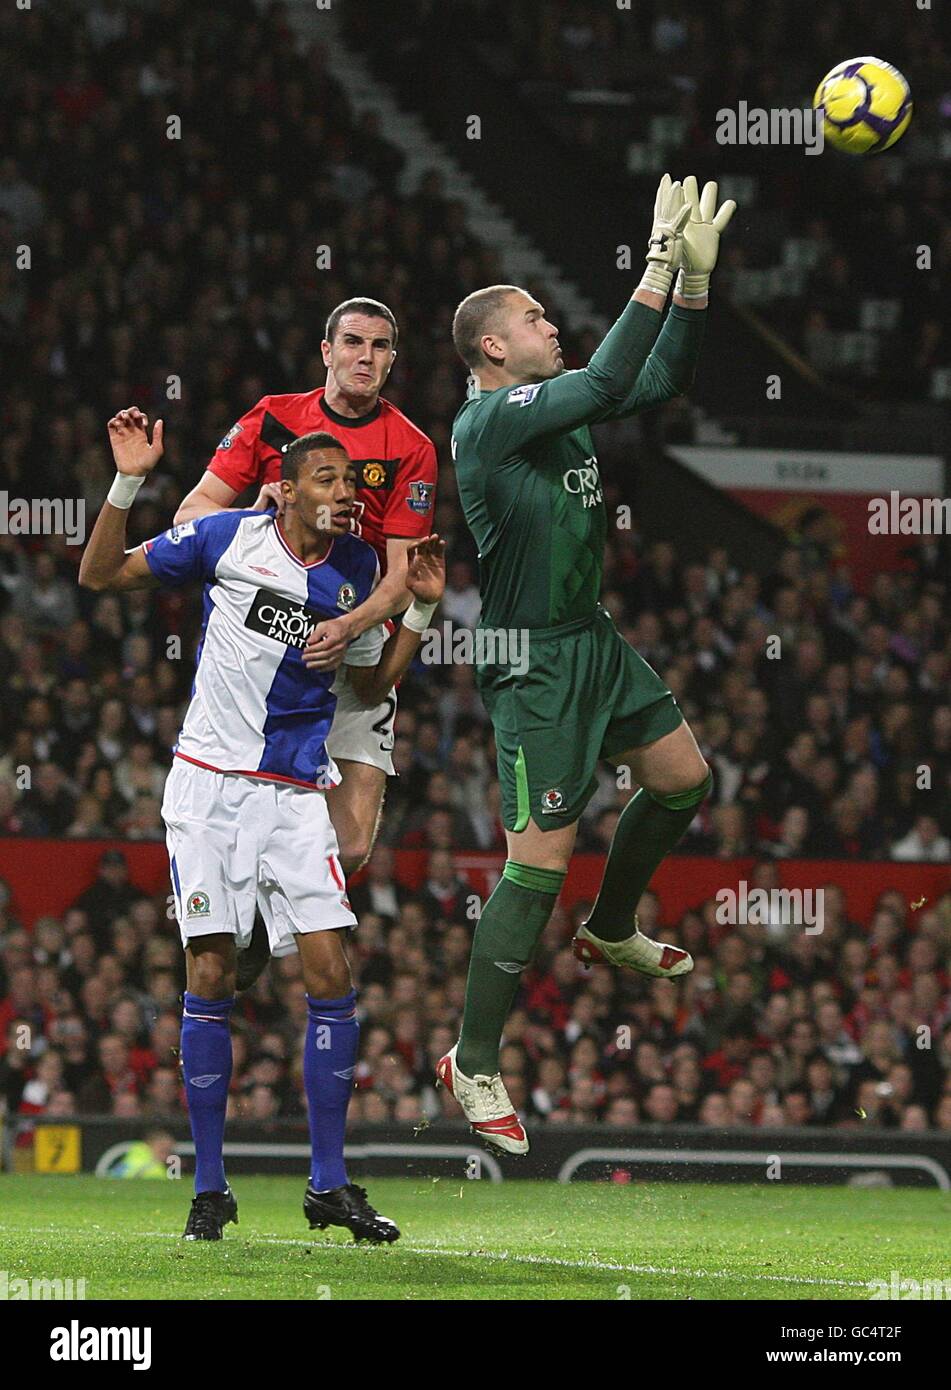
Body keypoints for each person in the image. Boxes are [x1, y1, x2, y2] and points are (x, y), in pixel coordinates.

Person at [79, 407, 445, 1242]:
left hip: (292, 795)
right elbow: (99, 576)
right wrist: (129, 480)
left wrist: (417, 615)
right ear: (281, 493)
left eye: (352, 481)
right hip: (208, 787)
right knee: (211, 974)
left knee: (330, 972)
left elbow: (371, 688)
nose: (347, 494)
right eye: (328, 479)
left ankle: (327, 1184)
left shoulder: (355, 572)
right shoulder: (225, 540)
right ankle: (210, 1189)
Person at [441, 174, 736, 1154]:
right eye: (533, 317)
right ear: (494, 346)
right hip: (532, 665)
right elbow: (613, 380)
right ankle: (472, 1059)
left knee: (684, 779)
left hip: (591, 639)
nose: (549, 324)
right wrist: (655, 263)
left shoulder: (550, 406)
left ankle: (613, 928)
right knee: (537, 865)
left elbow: (659, 383)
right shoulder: (486, 423)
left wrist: (692, 285)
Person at [173, 298, 438, 994]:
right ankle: (225, 922)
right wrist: (255, 507)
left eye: (380, 347)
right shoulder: (270, 418)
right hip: (266, 637)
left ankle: (260, 921)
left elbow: (404, 573)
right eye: (352, 342)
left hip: (353, 636)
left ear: (391, 359)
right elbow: (191, 516)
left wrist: (350, 628)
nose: (365, 357)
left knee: (350, 844)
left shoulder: (411, 446)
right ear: (325, 350)